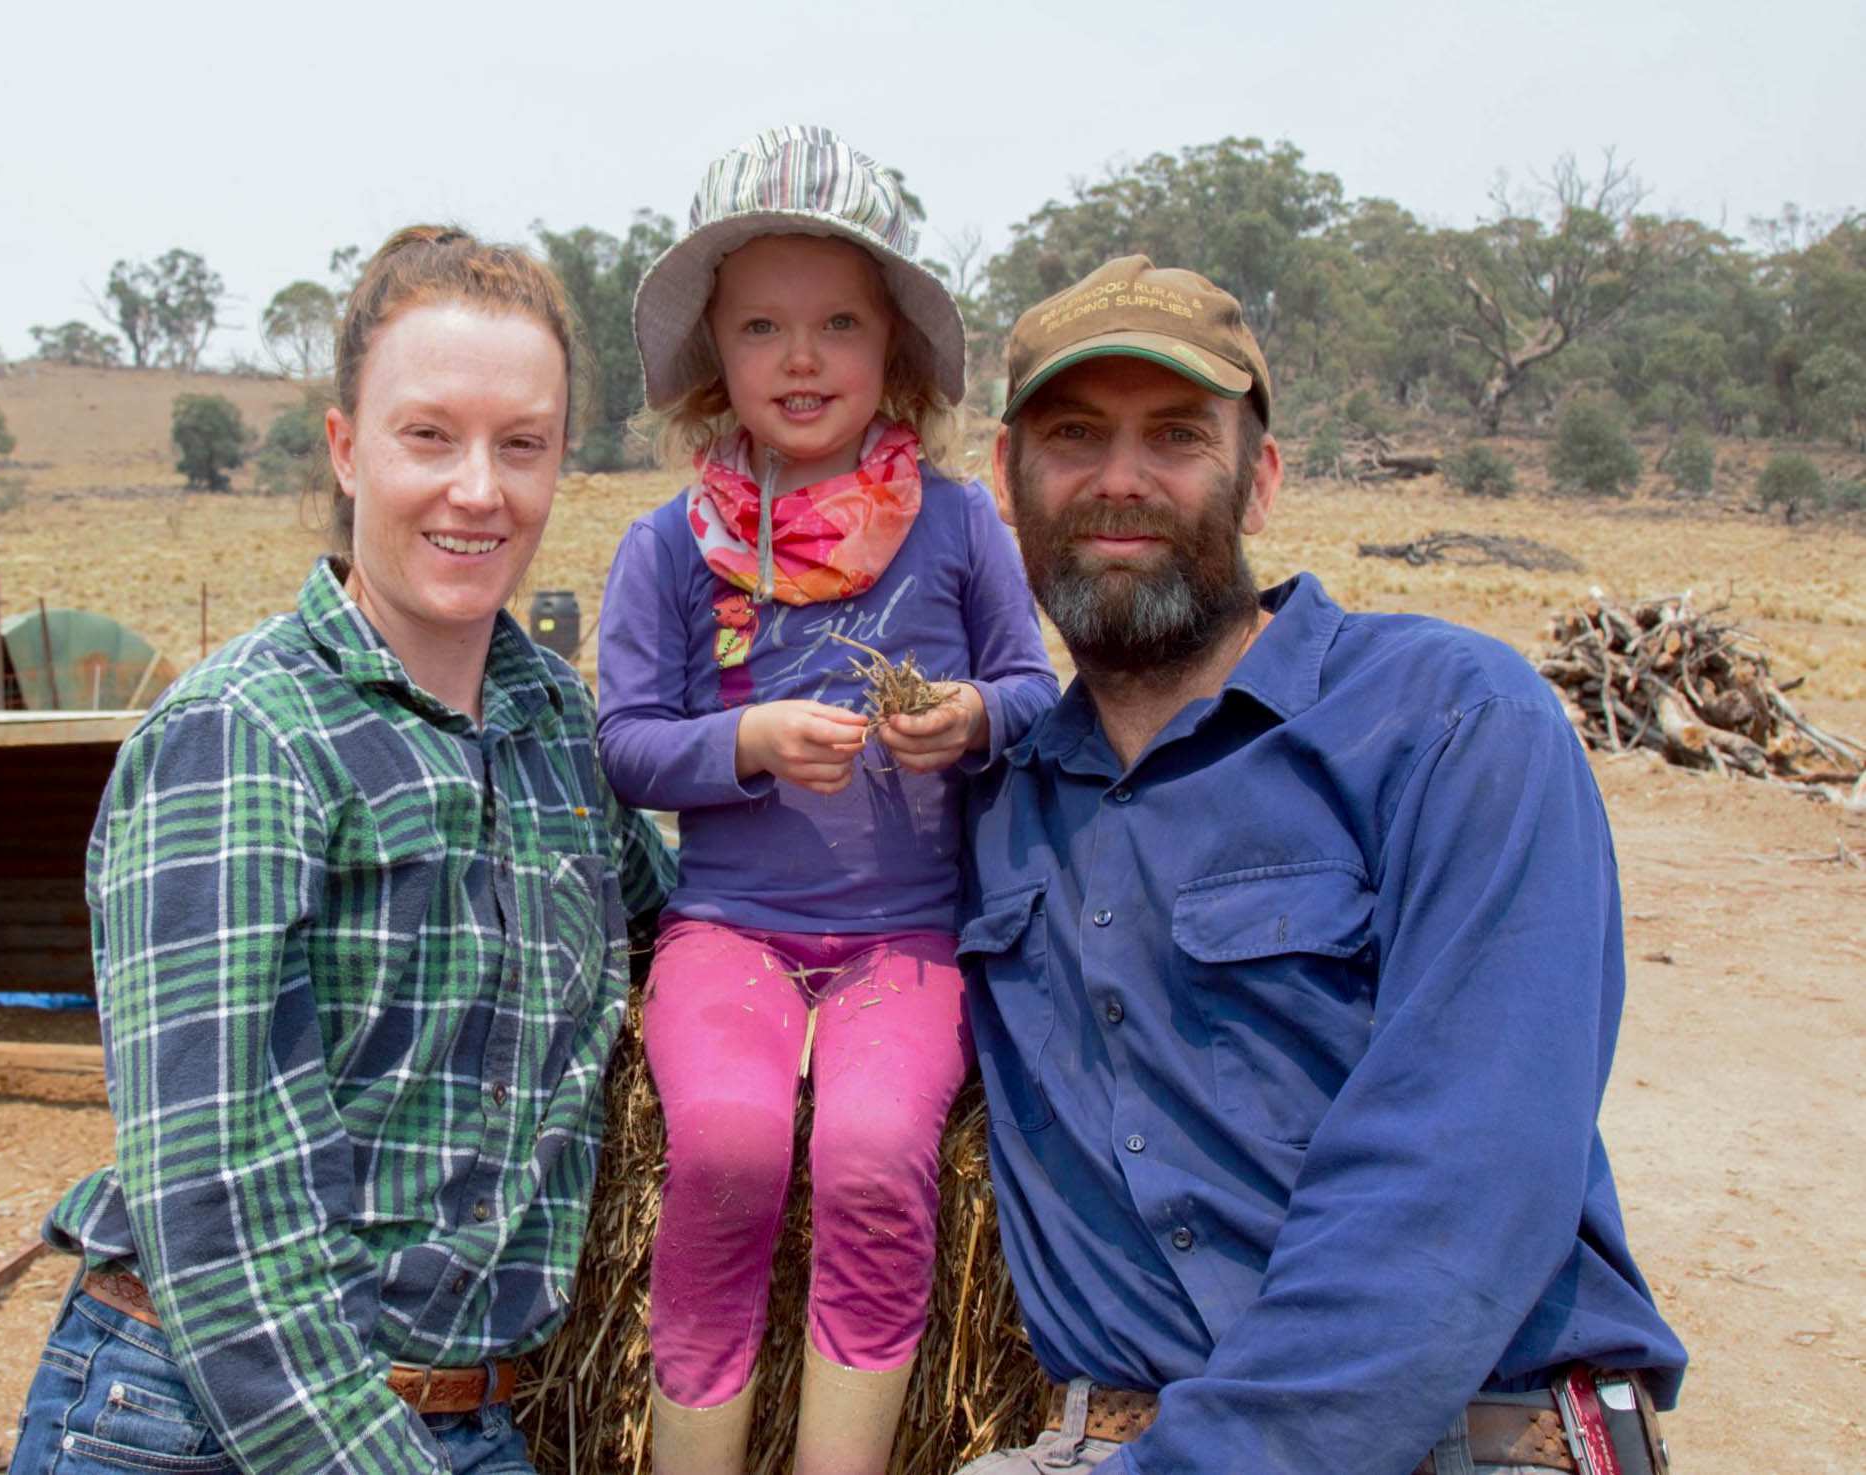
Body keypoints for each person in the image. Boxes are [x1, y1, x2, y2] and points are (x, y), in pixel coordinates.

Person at [953, 256, 1686, 1475]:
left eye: (1176, 436)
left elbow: (1458, 1178)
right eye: (1074, 436)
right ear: (1004, 482)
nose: (1120, 479)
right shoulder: (989, 796)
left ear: (1261, 478)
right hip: (1092, 1439)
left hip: (1470, 1436)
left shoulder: (1449, 721)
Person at [7, 226, 674, 1475]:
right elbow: (215, 1198)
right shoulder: (243, 735)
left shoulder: (559, 734)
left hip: (468, 1415)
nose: (479, 488)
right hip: (207, 1412)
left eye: (520, 444)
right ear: (344, 449)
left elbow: (684, 928)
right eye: (430, 435)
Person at [597, 125, 1058, 1475]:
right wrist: (740, 740)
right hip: (729, 928)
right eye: (761, 327)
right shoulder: (665, 549)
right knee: (730, 1150)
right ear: (715, 360)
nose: (800, 358)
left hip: (906, 939)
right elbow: (625, 745)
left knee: (869, 1154)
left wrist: (970, 717)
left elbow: (1036, 694)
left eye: (838, 322)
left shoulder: (960, 526)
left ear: (894, 351)